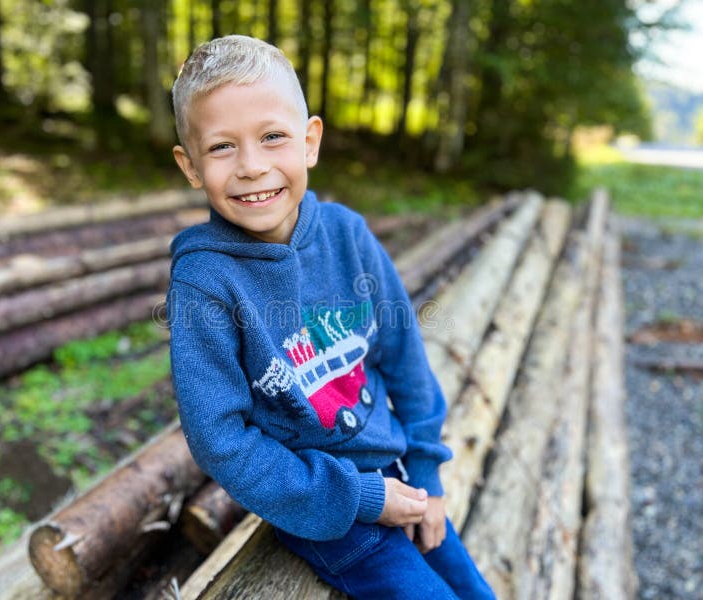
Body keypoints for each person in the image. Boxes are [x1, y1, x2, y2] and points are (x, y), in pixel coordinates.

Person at [167, 34, 494, 599]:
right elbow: (221, 441)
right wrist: (359, 498)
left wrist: (426, 472)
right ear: (190, 166)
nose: (252, 166)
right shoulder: (205, 282)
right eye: (221, 147)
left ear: (310, 142)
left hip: (399, 475)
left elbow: (405, 358)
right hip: (324, 510)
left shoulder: (347, 235)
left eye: (273, 137)